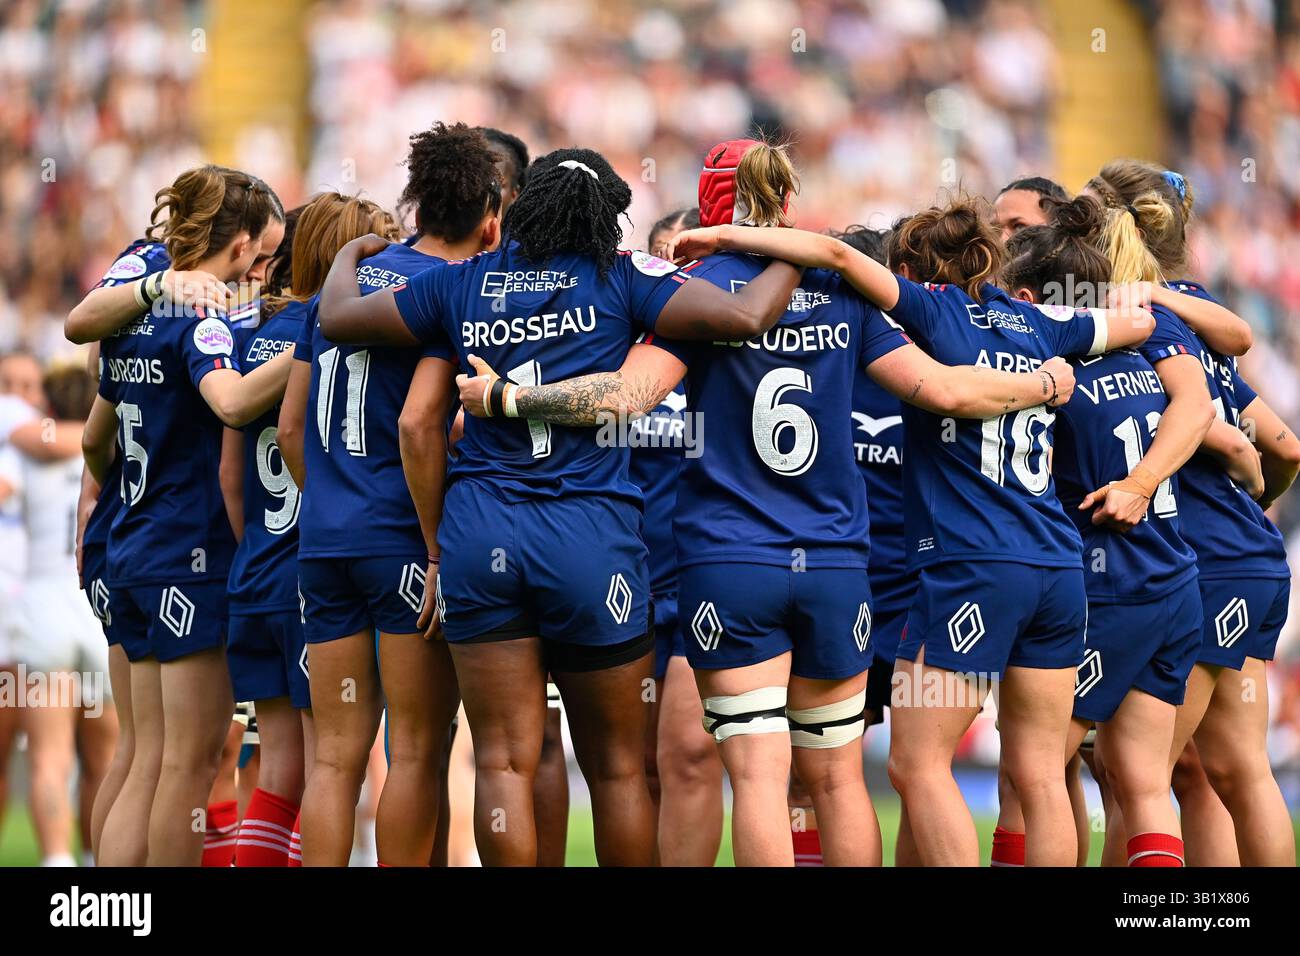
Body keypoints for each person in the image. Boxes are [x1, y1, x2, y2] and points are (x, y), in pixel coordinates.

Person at [455, 143, 1106, 868]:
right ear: (785, 202)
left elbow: (627, 396)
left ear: (710, 201)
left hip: (732, 562)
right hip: (834, 564)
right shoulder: (844, 293)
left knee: (760, 779)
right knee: (836, 778)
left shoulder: (694, 289)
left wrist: (507, 398)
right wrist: (1045, 385)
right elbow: (942, 389)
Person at [318, 145, 806, 866]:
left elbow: (338, 320)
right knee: (615, 769)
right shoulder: (623, 278)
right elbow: (753, 313)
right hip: (590, 537)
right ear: (607, 218)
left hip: (480, 538)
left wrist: (348, 255)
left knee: (502, 764)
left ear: (522, 208)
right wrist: (793, 244)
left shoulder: (462, 284)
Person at [662, 196, 1156, 866]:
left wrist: (723, 235)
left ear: (912, 272)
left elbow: (839, 256)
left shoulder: (929, 312)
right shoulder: (1041, 321)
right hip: (1059, 568)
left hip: (973, 565)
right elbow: (1135, 323)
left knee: (916, 768)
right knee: (1040, 774)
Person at [280, 123, 495, 867]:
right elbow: (420, 425)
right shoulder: (452, 290)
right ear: (490, 215)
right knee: (416, 752)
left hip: (326, 541)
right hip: (403, 541)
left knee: (335, 757)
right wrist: (436, 545)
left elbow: (288, 429)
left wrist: (333, 504)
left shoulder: (341, 287)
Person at [1086, 160, 1298, 866]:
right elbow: (1284, 445)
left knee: (1138, 776)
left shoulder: (1129, 318)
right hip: (1247, 557)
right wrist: (1259, 493)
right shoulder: (1188, 312)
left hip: (1205, 561)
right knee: (1221, 771)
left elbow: (1233, 435)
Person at [80, 164, 291, 866]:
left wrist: (126, 504)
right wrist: (308, 346)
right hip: (187, 558)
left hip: (130, 545)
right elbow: (231, 404)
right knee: (186, 767)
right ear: (238, 249)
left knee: (142, 756)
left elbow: (90, 434)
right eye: (265, 258)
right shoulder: (200, 319)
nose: (264, 277)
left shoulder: (138, 290)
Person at [995, 195, 1214, 867]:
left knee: (1027, 777)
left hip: (1107, 587)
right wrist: (1145, 483)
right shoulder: (1146, 350)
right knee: (1142, 781)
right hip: (1174, 578)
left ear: (1038, 297)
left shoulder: (1053, 377)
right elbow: (1200, 404)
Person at [224, 193, 391, 866]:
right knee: (333, 762)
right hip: (313, 574)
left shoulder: (246, 335)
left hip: (256, 571)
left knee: (277, 773)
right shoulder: (333, 329)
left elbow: (230, 476)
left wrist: (250, 554)